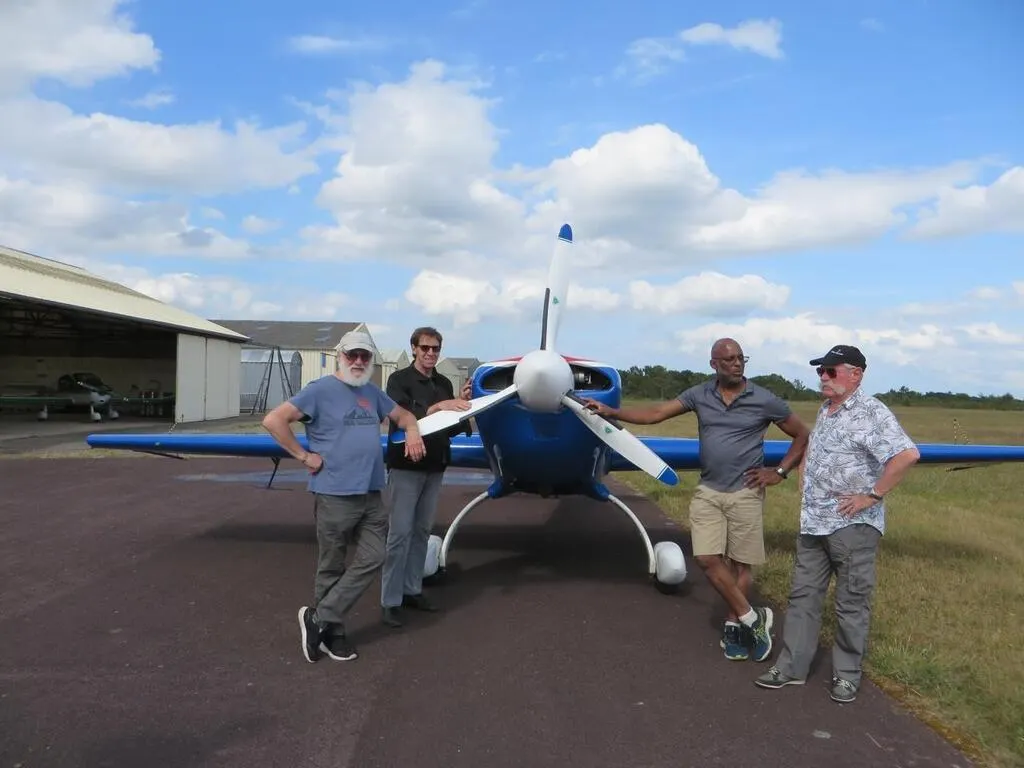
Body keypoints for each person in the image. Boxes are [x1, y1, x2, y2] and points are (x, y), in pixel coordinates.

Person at [584, 338, 809, 662]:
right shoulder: (699, 394)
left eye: (740, 358)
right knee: (705, 558)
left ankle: (734, 628)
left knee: (741, 565)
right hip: (709, 489)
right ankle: (751, 617)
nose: (736, 364)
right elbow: (658, 413)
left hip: (746, 491)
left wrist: (780, 471)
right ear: (714, 364)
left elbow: (802, 433)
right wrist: (612, 411)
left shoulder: (764, 399)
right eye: (728, 359)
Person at [754, 345, 920, 703]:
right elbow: (814, 444)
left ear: (856, 374)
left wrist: (872, 495)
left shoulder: (872, 412)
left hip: (853, 525)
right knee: (802, 597)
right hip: (814, 523)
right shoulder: (827, 409)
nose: (823, 378)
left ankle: (846, 675)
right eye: (820, 371)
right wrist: (804, 475)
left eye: (831, 371)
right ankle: (791, 668)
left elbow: (907, 455)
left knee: (851, 601)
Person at [261, 329, 426, 664]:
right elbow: (274, 420)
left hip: (371, 494)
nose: (359, 361)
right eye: (353, 355)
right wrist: (304, 457)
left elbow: (404, 416)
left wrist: (411, 430)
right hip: (334, 494)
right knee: (331, 566)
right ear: (341, 355)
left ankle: (319, 618)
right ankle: (333, 634)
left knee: (375, 557)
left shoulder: (372, 393)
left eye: (365, 355)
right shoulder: (319, 391)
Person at [379, 326, 472, 628]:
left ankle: (412, 590)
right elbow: (402, 415)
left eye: (435, 349)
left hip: (434, 467)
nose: (431, 353)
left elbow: (451, 426)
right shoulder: (398, 380)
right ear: (415, 349)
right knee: (399, 534)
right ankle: (390, 601)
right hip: (406, 467)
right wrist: (440, 405)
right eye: (425, 348)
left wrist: (464, 406)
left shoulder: (444, 382)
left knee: (421, 531)